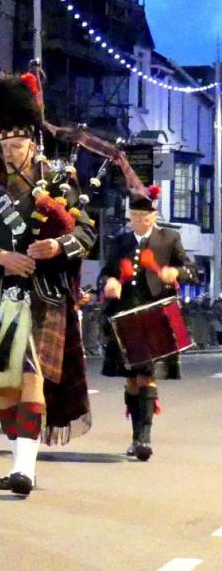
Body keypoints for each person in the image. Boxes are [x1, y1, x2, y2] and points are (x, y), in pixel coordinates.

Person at [0, 72, 95, 497]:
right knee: (6, 389)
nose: (10, 152)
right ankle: (18, 447)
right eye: (4, 145)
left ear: (33, 143)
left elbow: (87, 232)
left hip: (46, 296)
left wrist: (58, 245)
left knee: (33, 374)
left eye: (17, 145)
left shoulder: (61, 181)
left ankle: (25, 468)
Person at [100, 185, 195, 461]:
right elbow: (106, 272)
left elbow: (191, 270)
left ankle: (144, 439)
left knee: (148, 375)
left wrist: (173, 272)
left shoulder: (169, 238)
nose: (138, 222)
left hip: (155, 316)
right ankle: (135, 435)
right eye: (134, 216)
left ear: (153, 217)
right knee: (131, 379)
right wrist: (110, 283)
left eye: (143, 217)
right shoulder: (120, 242)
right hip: (125, 316)